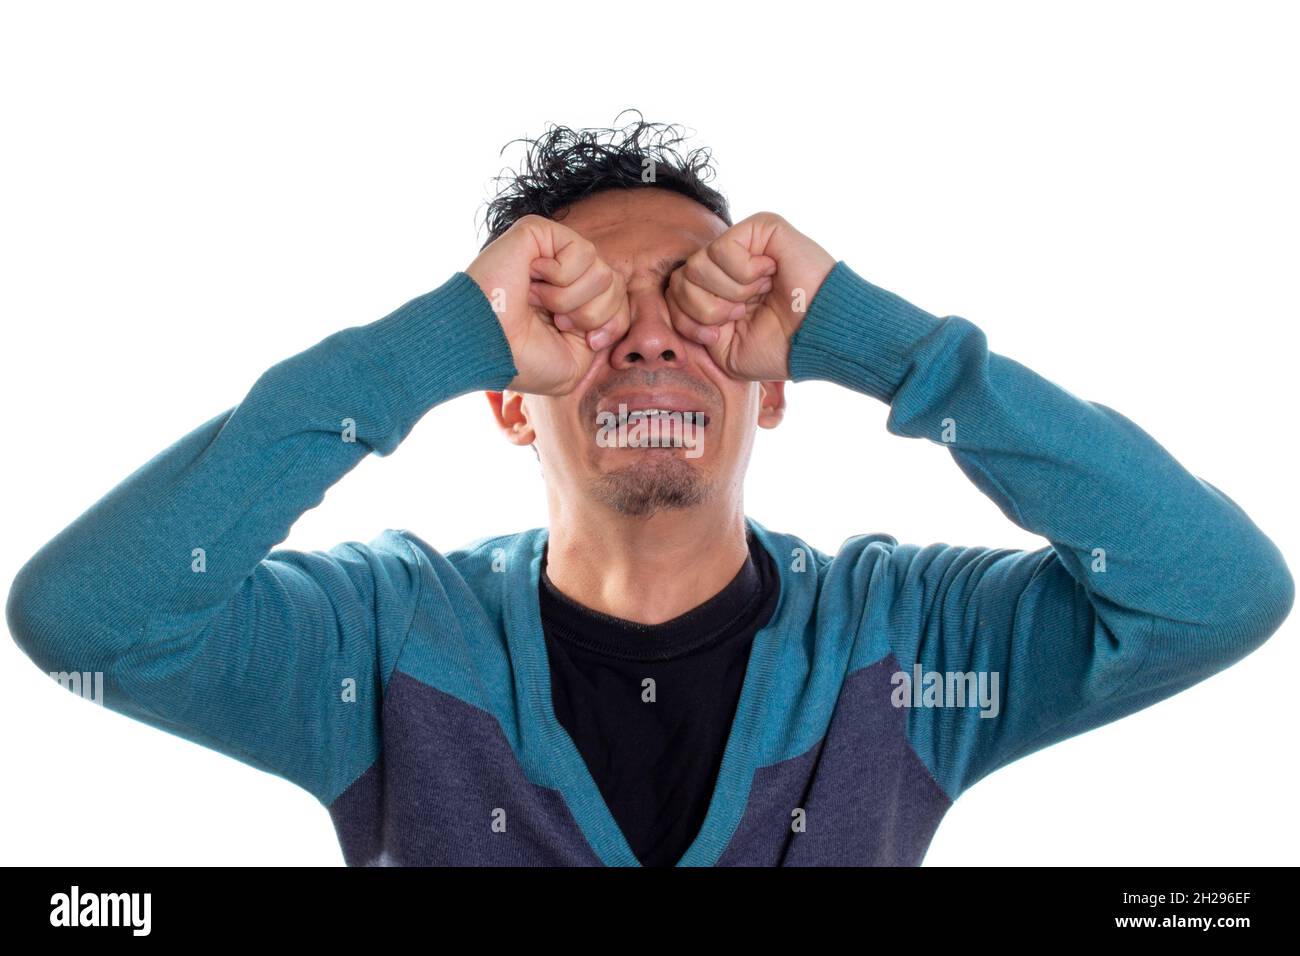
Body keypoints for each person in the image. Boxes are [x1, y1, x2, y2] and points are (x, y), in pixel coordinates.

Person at [7, 115, 1293, 866]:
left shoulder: (903, 643)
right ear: (506, 394)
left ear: (775, 383)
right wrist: (417, 349)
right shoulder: (382, 639)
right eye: (590, 310)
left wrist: (892, 347)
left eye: (692, 301)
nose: (647, 336)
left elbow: (1215, 593)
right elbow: (85, 623)